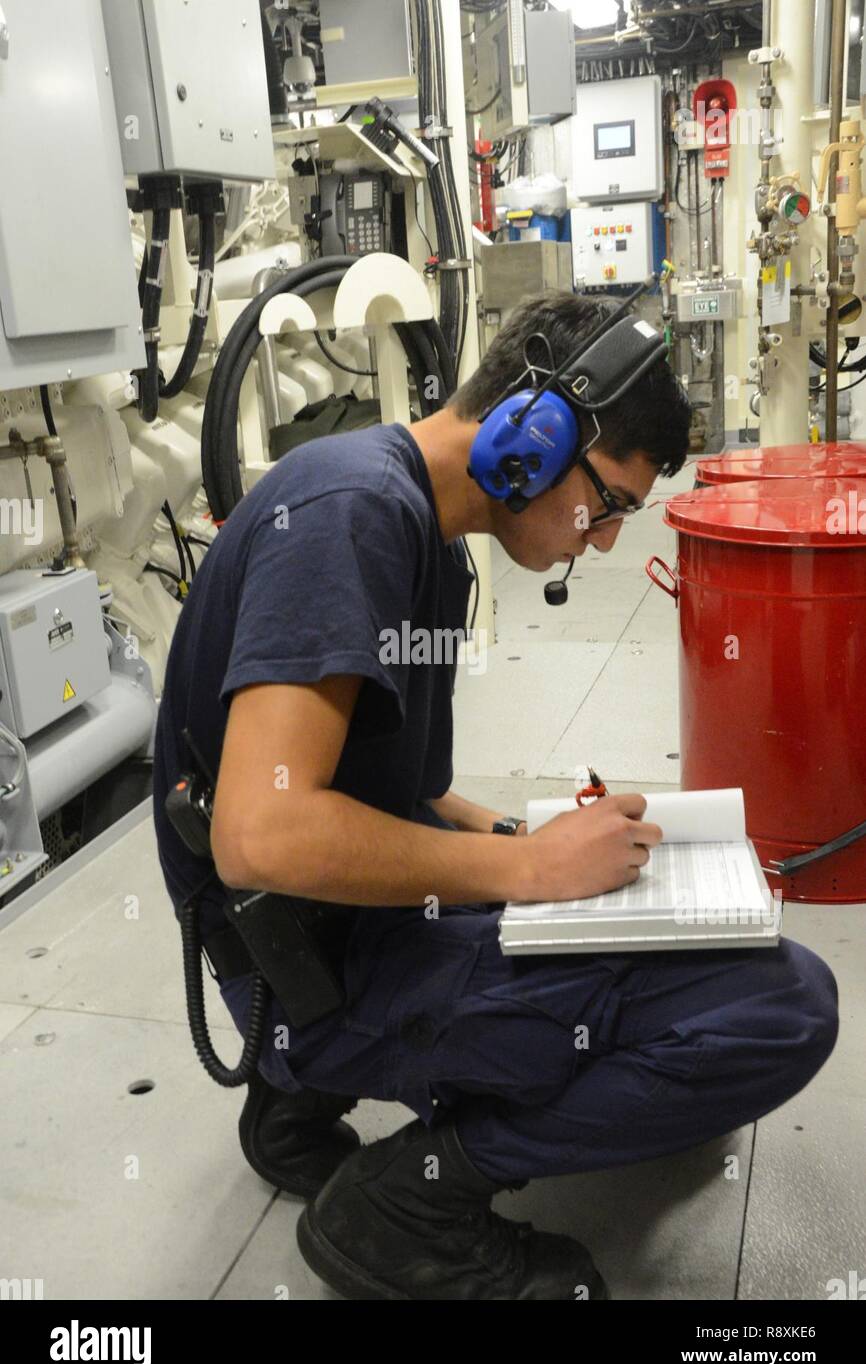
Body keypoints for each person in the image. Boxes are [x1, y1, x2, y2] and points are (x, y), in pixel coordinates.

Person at [153, 293, 838, 1301]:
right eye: (604, 502)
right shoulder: (352, 519)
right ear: (533, 430)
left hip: (309, 941)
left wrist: (528, 835)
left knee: (688, 937)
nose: (600, 541)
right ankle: (407, 1200)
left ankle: (293, 1097)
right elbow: (262, 833)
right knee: (781, 1005)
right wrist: (524, 870)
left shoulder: (401, 513)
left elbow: (406, 789)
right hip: (311, 971)